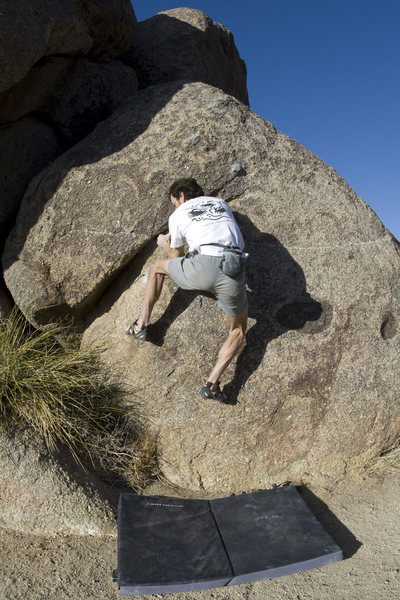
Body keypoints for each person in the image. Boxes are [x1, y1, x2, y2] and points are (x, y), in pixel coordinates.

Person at [126, 177, 248, 403]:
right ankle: (212, 383)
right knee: (239, 329)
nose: (175, 206)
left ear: (181, 196)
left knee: (157, 268)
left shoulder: (179, 214)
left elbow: (177, 257)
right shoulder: (221, 203)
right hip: (233, 268)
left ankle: (140, 325)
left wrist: (164, 243)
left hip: (203, 266)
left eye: (174, 202)